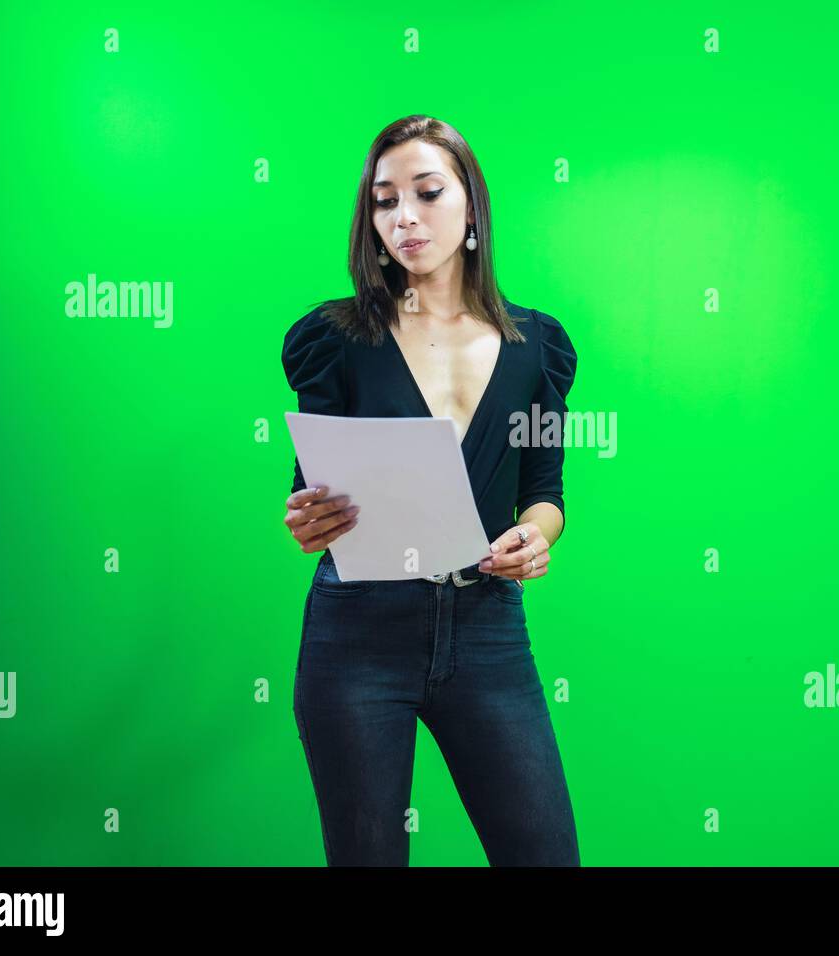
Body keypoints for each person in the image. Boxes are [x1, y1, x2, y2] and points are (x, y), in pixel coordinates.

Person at [280, 115, 580, 866]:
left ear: (472, 207)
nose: (404, 217)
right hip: (357, 634)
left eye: (427, 192)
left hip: (486, 630)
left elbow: (544, 491)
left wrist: (536, 537)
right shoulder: (335, 336)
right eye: (384, 201)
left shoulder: (536, 345)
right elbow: (310, 493)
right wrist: (309, 519)